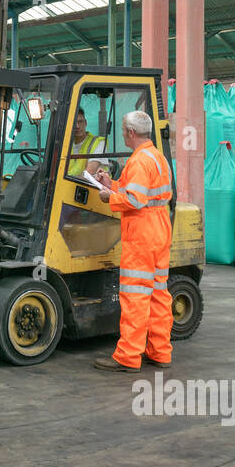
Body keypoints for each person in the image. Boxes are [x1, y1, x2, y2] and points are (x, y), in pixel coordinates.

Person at [92, 110, 173, 373]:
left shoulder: (139, 161)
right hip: (159, 228)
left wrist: (108, 197)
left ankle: (128, 356)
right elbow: (141, 193)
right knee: (158, 293)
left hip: (142, 233)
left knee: (135, 295)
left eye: (123, 131)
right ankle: (160, 352)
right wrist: (112, 184)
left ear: (129, 132)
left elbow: (135, 200)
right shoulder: (156, 156)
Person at [67, 107, 104, 178]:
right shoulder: (66, 144)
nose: (77, 126)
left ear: (85, 123)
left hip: (94, 187)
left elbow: (90, 172)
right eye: (74, 122)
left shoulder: (98, 142)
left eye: (80, 122)